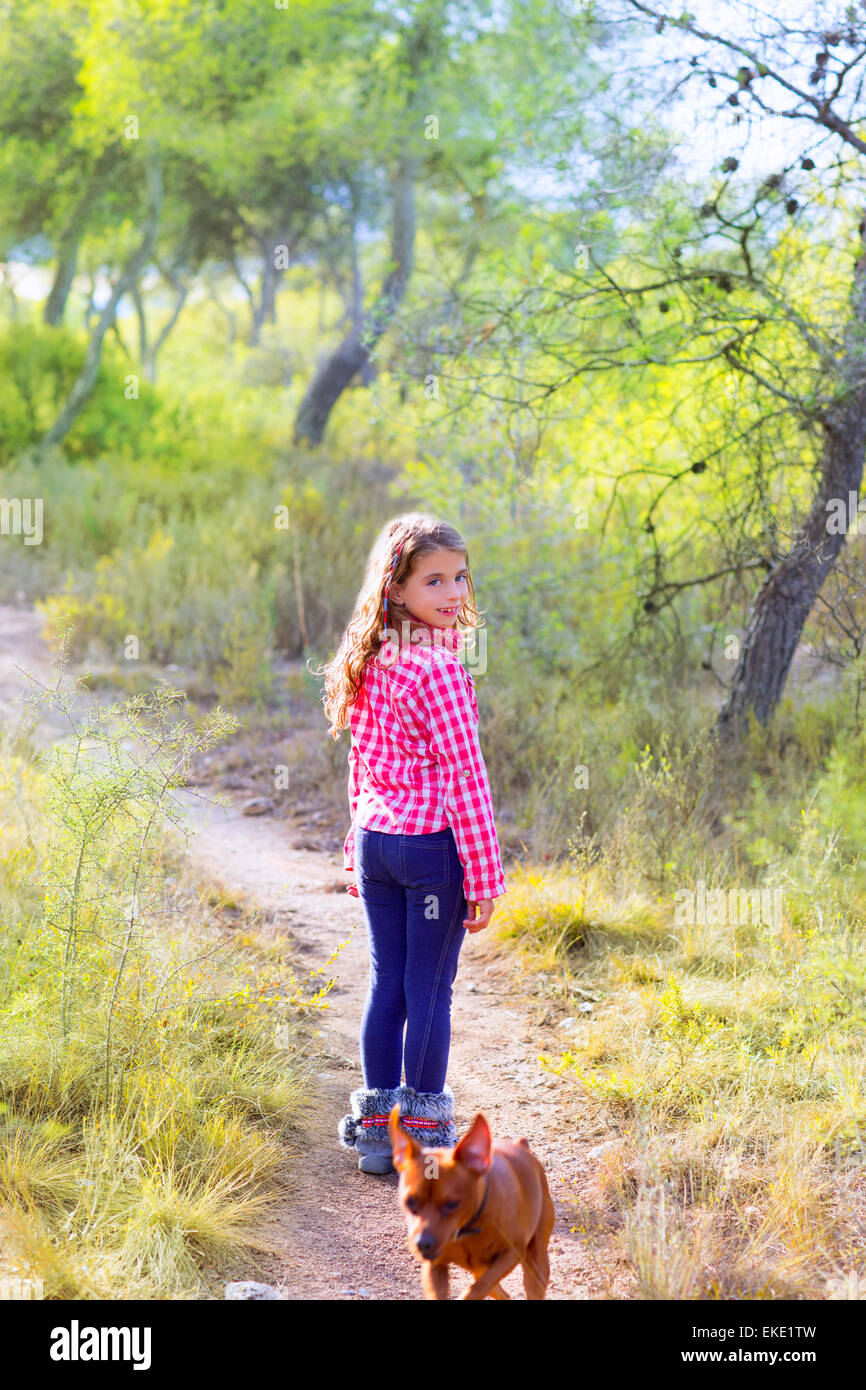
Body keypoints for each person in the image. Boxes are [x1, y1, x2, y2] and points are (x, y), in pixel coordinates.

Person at [319, 512, 507, 1173]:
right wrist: (484, 880)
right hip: (430, 852)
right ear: (397, 588)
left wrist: (355, 848)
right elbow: (467, 779)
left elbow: (360, 765)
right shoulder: (438, 670)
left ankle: (377, 1138)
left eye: (460, 577)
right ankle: (420, 1137)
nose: (454, 593)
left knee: (388, 986)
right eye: (434, 581)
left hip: (378, 844)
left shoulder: (371, 657)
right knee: (428, 989)